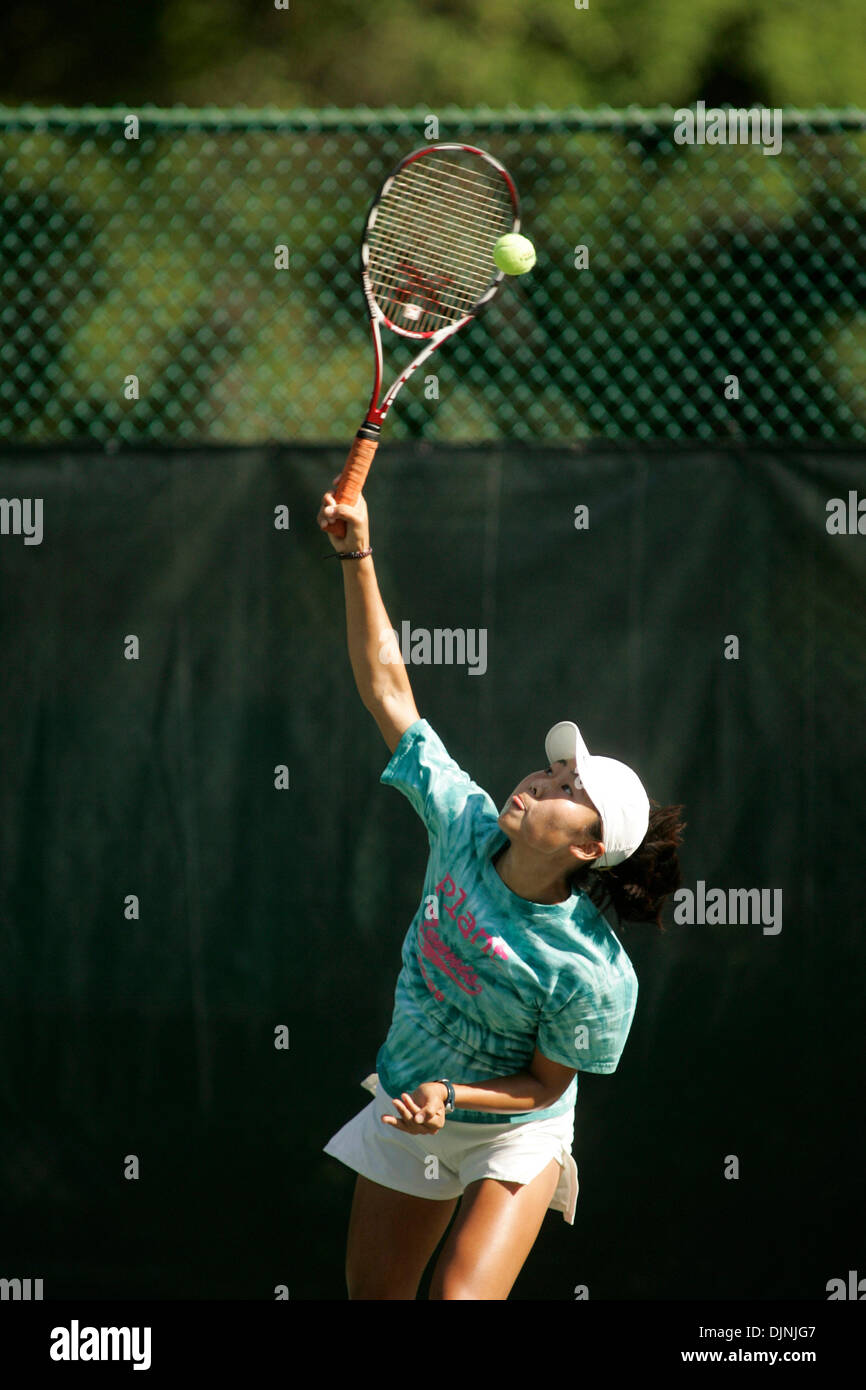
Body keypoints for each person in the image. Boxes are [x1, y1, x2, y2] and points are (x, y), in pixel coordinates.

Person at [316, 477, 685, 1300]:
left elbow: (547, 1085)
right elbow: (388, 690)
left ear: (589, 846)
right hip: (411, 1098)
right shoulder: (463, 824)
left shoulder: (590, 972)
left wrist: (455, 1095)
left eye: (565, 787)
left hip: (512, 1131)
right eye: (551, 767)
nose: (541, 778)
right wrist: (355, 552)